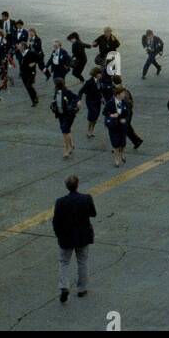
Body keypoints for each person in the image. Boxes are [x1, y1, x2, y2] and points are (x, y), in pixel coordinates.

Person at [52, 175, 96, 303]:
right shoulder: (86, 198)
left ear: (66, 186)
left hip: (66, 237)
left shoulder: (60, 202)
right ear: (77, 185)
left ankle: (64, 286)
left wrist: (59, 235)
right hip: (82, 236)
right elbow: (93, 213)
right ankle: (82, 289)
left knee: (64, 262)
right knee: (82, 262)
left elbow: (56, 221)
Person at [103, 85, 131, 167]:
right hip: (113, 125)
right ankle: (116, 159)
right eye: (123, 93)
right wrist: (111, 115)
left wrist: (125, 119)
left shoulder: (125, 103)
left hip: (122, 126)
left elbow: (128, 114)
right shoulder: (110, 102)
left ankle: (122, 152)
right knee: (115, 143)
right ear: (118, 94)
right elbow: (104, 112)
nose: (124, 95)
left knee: (122, 142)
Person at [52, 79, 80, 159]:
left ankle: (67, 149)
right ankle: (71, 144)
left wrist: (77, 103)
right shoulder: (57, 92)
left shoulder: (67, 92)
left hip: (68, 115)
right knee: (66, 130)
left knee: (64, 131)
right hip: (60, 115)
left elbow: (76, 97)